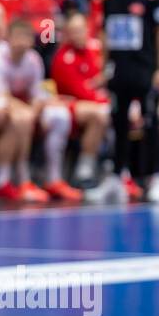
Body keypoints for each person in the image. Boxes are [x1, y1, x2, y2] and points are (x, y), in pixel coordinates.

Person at [85, 0, 159, 204]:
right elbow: (105, 33)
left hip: (146, 69)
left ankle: (156, 178)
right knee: (118, 123)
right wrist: (104, 67)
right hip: (119, 71)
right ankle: (116, 179)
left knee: (151, 122)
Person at [0, 18, 76, 201]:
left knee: (59, 116)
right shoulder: (0, 58)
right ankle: (13, 179)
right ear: (8, 38)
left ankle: (53, 178)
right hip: (5, 104)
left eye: (26, 37)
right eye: (17, 37)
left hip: (22, 107)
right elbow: (3, 96)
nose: (21, 42)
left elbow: (38, 94)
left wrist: (34, 111)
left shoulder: (34, 60)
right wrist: (28, 112)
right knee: (20, 119)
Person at [48, 10, 112, 189]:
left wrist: (100, 87)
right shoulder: (63, 58)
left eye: (81, 29)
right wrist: (102, 94)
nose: (78, 34)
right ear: (67, 34)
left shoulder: (94, 51)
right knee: (100, 114)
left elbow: (105, 80)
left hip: (91, 103)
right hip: (70, 106)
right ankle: (85, 169)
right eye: (73, 31)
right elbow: (81, 92)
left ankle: (120, 172)